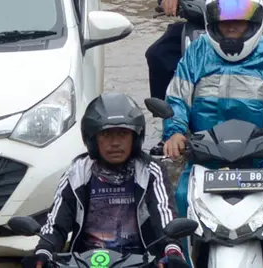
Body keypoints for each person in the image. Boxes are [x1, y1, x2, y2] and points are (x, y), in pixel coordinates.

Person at [161, 0, 263, 225]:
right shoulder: (197, 51)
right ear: (212, 22)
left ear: (254, 22)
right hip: (205, 154)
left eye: (239, 21)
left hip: (261, 153)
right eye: (224, 21)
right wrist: (175, 132)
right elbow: (177, 98)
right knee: (181, 197)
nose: (231, 26)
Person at [33, 95, 185, 267]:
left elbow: (164, 215)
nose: (115, 143)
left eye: (123, 134)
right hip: (84, 262)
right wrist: (44, 250)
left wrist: (172, 248)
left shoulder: (150, 171)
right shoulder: (77, 172)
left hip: (141, 262)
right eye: (106, 134)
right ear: (92, 139)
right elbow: (56, 222)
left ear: (135, 137)